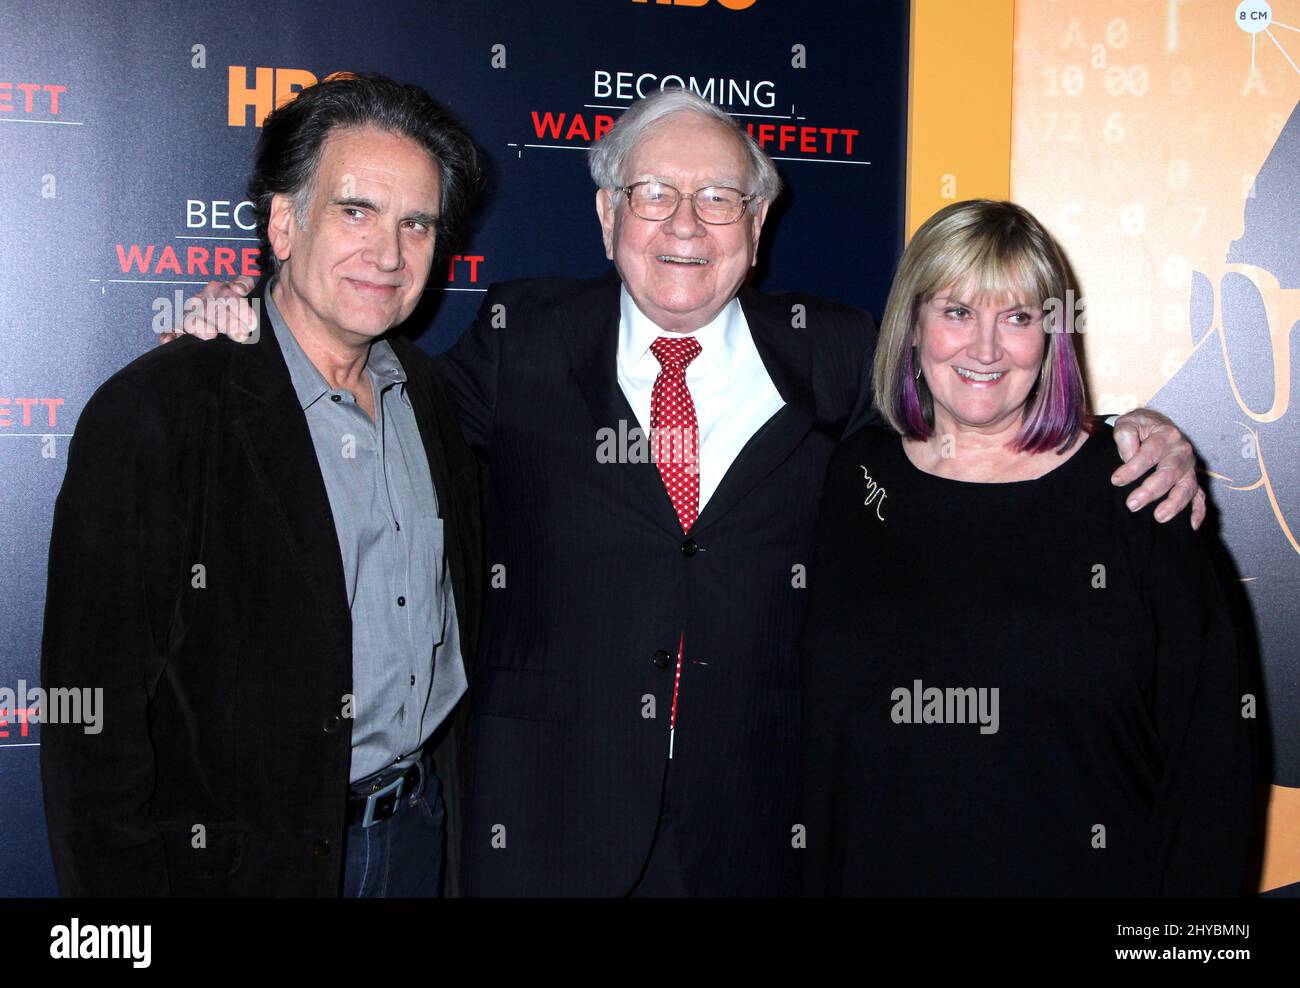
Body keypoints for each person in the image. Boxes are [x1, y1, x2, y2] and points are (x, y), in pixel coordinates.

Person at [177, 89, 1203, 897]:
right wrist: (257, 318)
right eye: (652, 194)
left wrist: (1130, 433)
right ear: (604, 213)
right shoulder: (519, 337)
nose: (684, 223)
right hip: (546, 831)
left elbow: (979, 413)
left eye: (719, 197)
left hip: (754, 836)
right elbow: (371, 386)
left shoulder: (833, 352)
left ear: (757, 224)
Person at [41, 74, 484, 897]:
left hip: (419, 840)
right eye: (356, 211)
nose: (387, 254)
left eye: (415, 223)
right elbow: (88, 726)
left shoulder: (430, 397)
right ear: (285, 222)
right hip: (241, 872)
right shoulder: (160, 413)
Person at [800, 200, 1255, 896]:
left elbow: (1212, 761)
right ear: (912, 325)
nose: (985, 349)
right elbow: (821, 749)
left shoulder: (1138, 491)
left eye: (1017, 318)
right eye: (956, 311)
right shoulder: (856, 478)